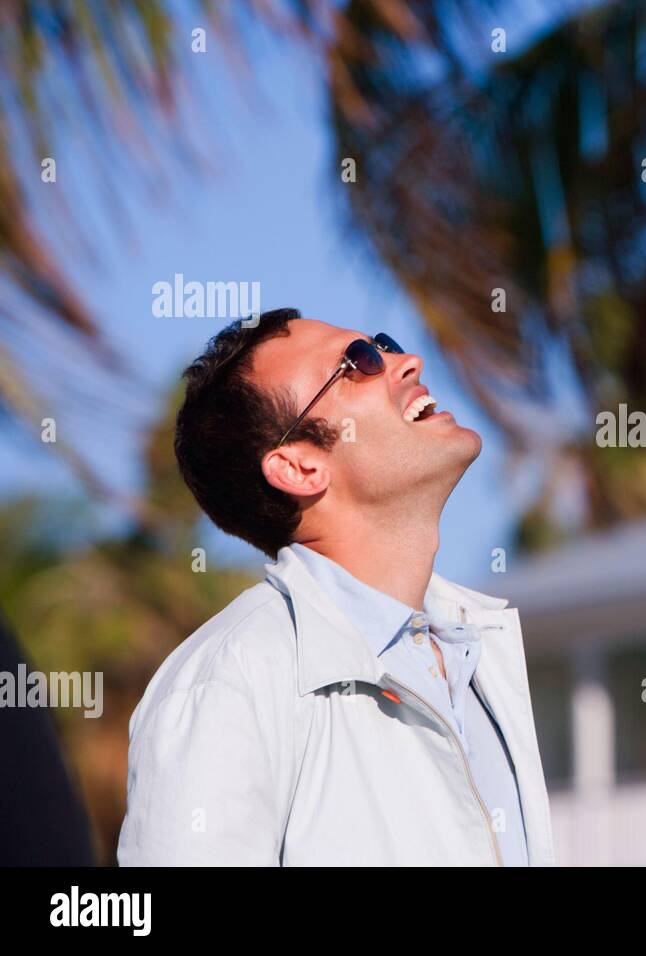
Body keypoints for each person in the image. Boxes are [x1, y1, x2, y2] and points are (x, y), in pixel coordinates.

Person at [118, 308, 553, 865]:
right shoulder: (231, 680)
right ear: (299, 467)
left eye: (383, 345)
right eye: (358, 362)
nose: (406, 361)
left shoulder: (478, 654)